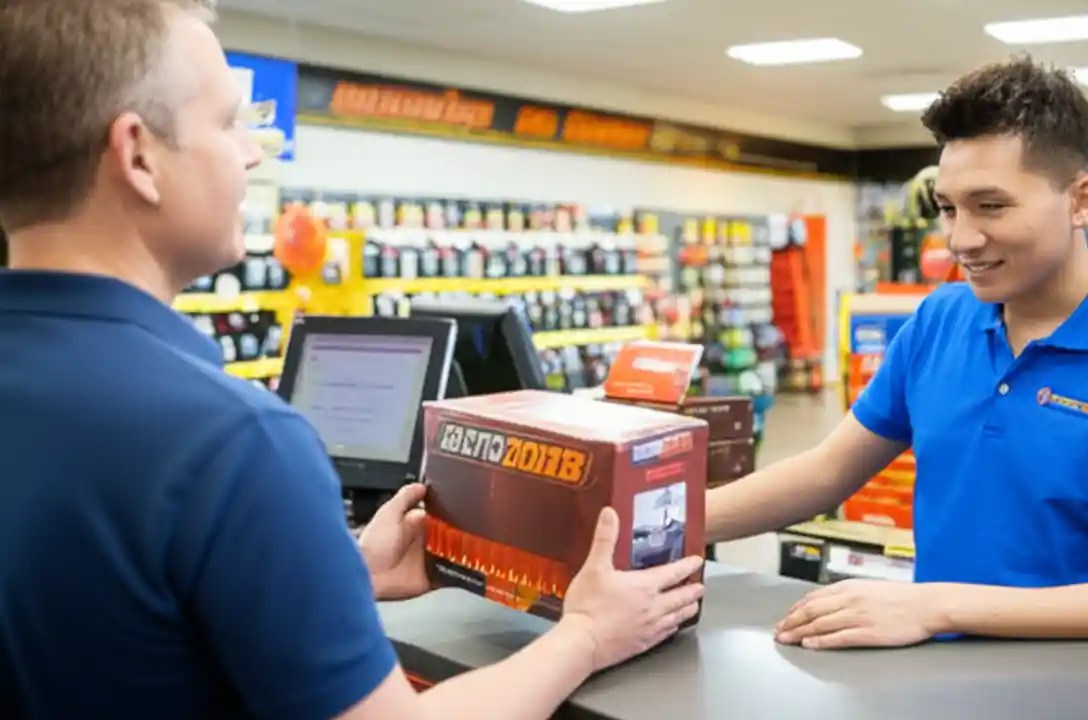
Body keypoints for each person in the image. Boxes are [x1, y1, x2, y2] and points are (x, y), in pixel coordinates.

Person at [0, 2, 704, 718]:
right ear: (138, 155)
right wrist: (586, 634)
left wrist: (333, 573)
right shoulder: (232, 446)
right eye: (227, 122)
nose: (253, 150)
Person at [707, 56, 1088, 656]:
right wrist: (659, 525)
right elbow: (825, 474)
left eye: (992, 206)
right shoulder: (939, 319)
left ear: (1082, 200)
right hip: (934, 679)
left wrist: (935, 603)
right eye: (949, 208)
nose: (960, 240)